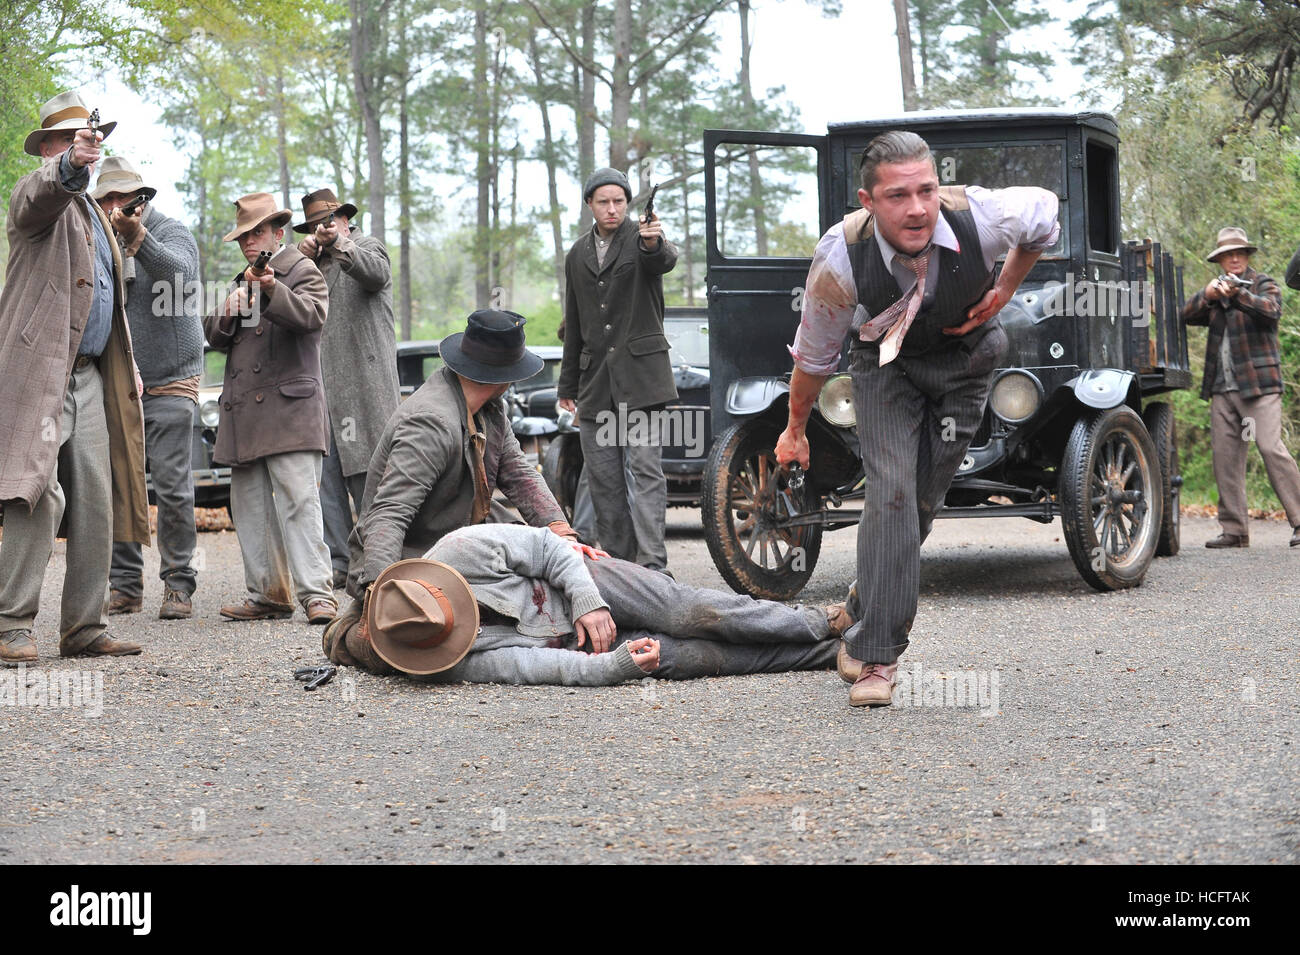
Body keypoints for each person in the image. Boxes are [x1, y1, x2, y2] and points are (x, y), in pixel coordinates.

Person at [775, 130, 1060, 707]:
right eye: (898, 196)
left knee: (922, 503)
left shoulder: (980, 214)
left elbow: (1045, 214)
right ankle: (876, 655)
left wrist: (1005, 288)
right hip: (885, 368)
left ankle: (862, 602)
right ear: (867, 201)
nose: (918, 208)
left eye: (926, 190)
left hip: (966, 364)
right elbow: (813, 358)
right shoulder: (840, 257)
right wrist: (795, 429)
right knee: (892, 496)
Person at [0, 91, 149, 663]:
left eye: (85, 138)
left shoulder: (92, 212)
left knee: (96, 497)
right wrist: (68, 167)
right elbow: (41, 197)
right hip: (43, 373)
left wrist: (127, 361)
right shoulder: (38, 192)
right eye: (68, 141)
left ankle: (84, 627)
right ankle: (11, 622)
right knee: (36, 494)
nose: (82, 148)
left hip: (91, 375)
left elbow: (107, 293)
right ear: (49, 149)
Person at [323, 522, 849, 685]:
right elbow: (533, 664)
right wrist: (614, 666)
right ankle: (835, 654)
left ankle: (821, 621)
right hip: (579, 641)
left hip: (588, 583)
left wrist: (587, 602)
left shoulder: (459, 549)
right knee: (685, 657)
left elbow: (550, 548)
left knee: (690, 613)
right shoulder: (445, 660)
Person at [335, 308, 578, 639]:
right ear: (504, 375)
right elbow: (389, 515)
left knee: (558, 582)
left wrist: (561, 534)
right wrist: (382, 594)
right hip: (418, 561)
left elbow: (521, 476)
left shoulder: (491, 411)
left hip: (465, 547)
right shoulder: (431, 422)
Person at [203, 192, 337, 625]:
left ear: (278, 232)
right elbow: (213, 335)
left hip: (289, 411)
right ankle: (267, 594)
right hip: (246, 414)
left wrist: (272, 290)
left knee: (300, 502)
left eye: (256, 232)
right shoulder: (241, 278)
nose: (249, 241)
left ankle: (318, 594)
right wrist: (229, 309)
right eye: (244, 235)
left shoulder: (303, 270)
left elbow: (312, 316)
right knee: (250, 508)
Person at [95, 157, 204, 620]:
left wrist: (139, 239)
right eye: (107, 200)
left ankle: (179, 584)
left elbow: (184, 280)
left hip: (172, 380)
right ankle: (126, 585)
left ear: (142, 200)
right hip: (121, 383)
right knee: (123, 485)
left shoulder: (171, 231)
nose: (115, 208)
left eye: (123, 199)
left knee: (173, 487)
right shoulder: (99, 241)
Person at [557, 167, 677, 571]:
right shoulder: (576, 254)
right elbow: (574, 322)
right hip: (595, 385)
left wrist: (653, 241)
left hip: (643, 381)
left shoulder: (643, 238)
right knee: (604, 480)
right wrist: (567, 383)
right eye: (604, 202)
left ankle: (654, 568)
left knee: (645, 471)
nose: (612, 209)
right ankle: (622, 570)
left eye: (619, 201)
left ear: (628, 204)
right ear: (590, 205)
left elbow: (663, 259)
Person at [294, 188, 399, 590]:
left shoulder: (366, 247)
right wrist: (301, 257)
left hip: (363, 392)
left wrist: (338, 244)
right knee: (329, 487)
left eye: (330, 221)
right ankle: (340, 565)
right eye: (316, 226)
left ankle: (378, 563)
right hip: (320, 394)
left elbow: (375, 274)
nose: (323, 229)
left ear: (344, 221)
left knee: (369, 481)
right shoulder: (311, 264)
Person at [1183, 227, 1300, 549]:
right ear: (1220, 260)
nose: (1233, 258)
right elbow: (1184, 314)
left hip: (1260, 387)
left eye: (1239, 253)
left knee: (1270, 448)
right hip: (1222, 388)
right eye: (1227, 254)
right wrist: (1208, 295)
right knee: (1225, 458)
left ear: (1247, 256)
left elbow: (1271, 311)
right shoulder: (1216, 293)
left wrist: (1238, 295)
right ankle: (1234, 531)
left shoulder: (1264, 284)